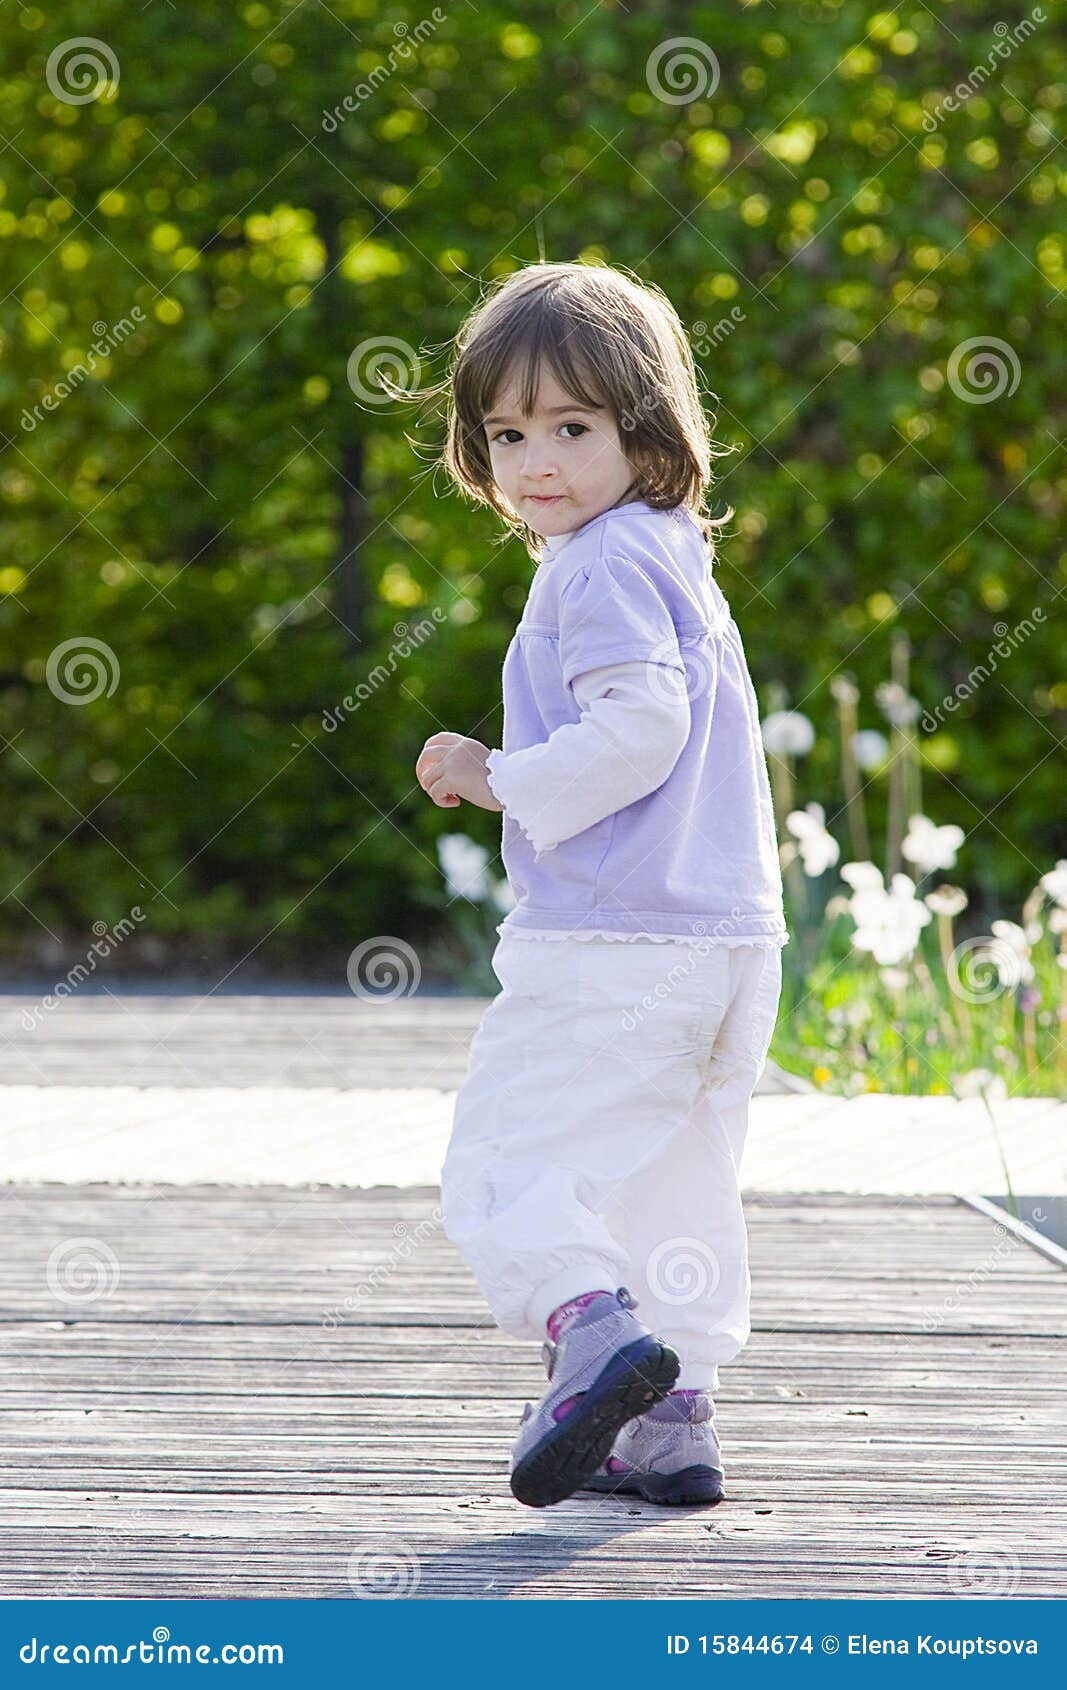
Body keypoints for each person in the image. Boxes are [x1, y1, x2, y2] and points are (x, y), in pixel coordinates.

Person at [415, 261, 788, 1510]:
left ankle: (584, 1329)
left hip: (619, 941)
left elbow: (639, 731)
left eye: (573, 427)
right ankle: (671, 1418)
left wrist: (498, 775)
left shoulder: (596, 566)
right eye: (508, 432)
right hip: (725, 943)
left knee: (501, 1159)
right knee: (669, 1177)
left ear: (647, 428)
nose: (537, 462)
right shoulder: (667, 549)